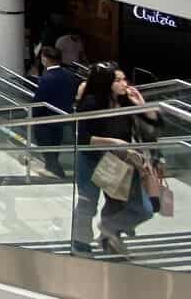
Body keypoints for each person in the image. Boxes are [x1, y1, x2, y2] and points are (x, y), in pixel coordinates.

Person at [72, 64, 160, 256]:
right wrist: (116, 142)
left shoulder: (126, 101)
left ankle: (108, 230)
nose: (124, 84)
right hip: (92, 161)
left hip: (119, 162)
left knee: (142, 208)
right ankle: (80, 242)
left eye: (124, 79)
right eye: (117, 80)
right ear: (106, 83)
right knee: (88, 203)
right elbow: (84, 140)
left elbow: (154, 124)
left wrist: (141, 104)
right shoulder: (92, 103)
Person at [32, 46, 77, 178]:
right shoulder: (70, 75)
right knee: (55, 143)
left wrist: (33, 114)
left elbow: (40, 99)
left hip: (46, 118)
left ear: (45, 59)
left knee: (46, 145)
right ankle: (50, 167)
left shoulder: (47, 78)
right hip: (63, 115)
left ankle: (55, 170)